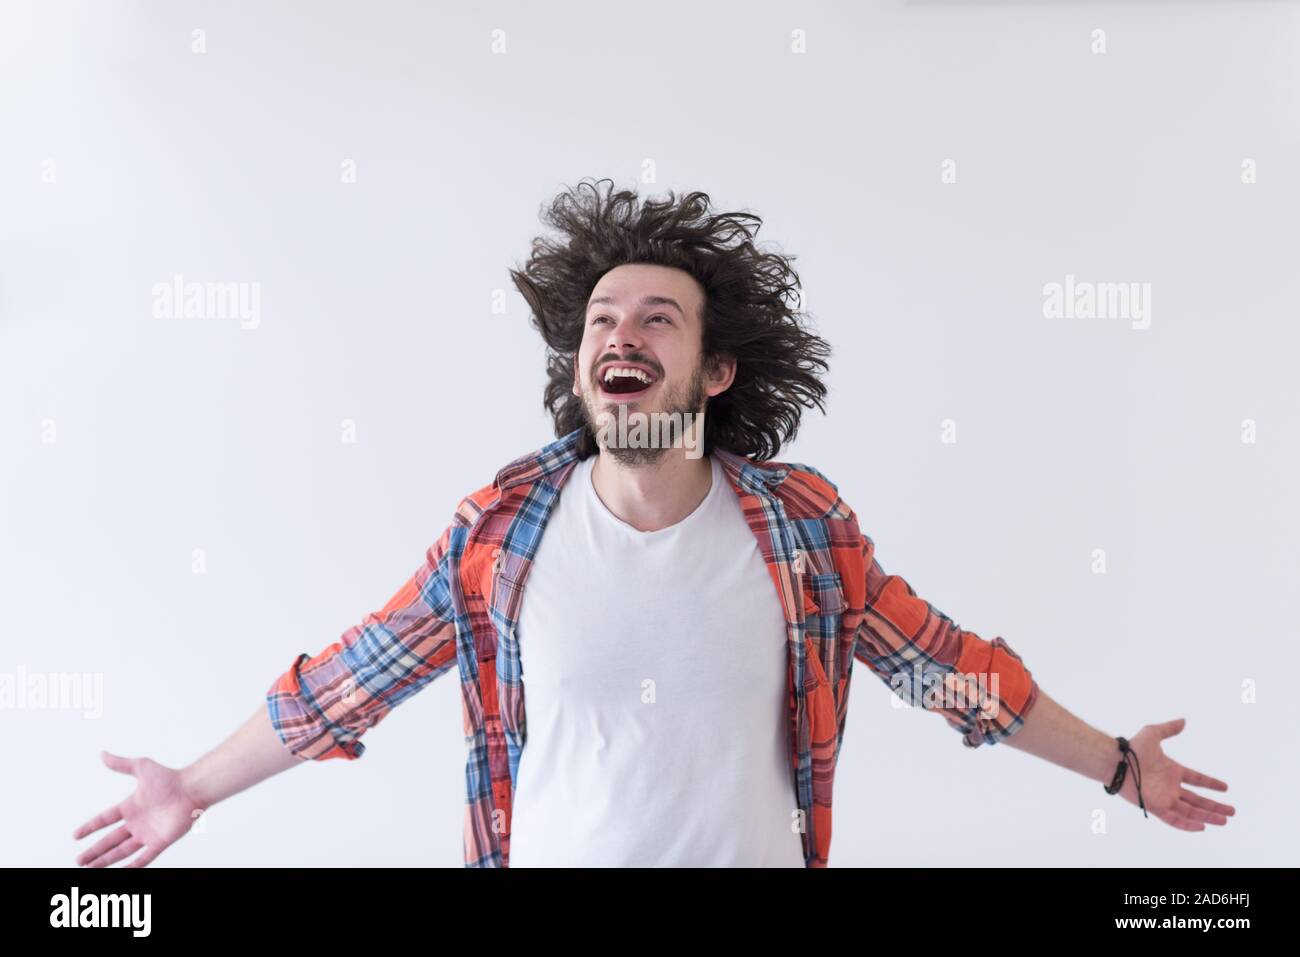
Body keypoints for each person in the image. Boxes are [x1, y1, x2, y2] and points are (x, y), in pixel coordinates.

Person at [73, 179, 1234, 869]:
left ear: (718, 367)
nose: (620, 335)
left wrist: (1117, 766)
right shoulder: (501, 532)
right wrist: (195, 788)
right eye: (601, 320)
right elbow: (351, 680)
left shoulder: (802, 532)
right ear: (578, 365)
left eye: (658, 320)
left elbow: (948, 675)